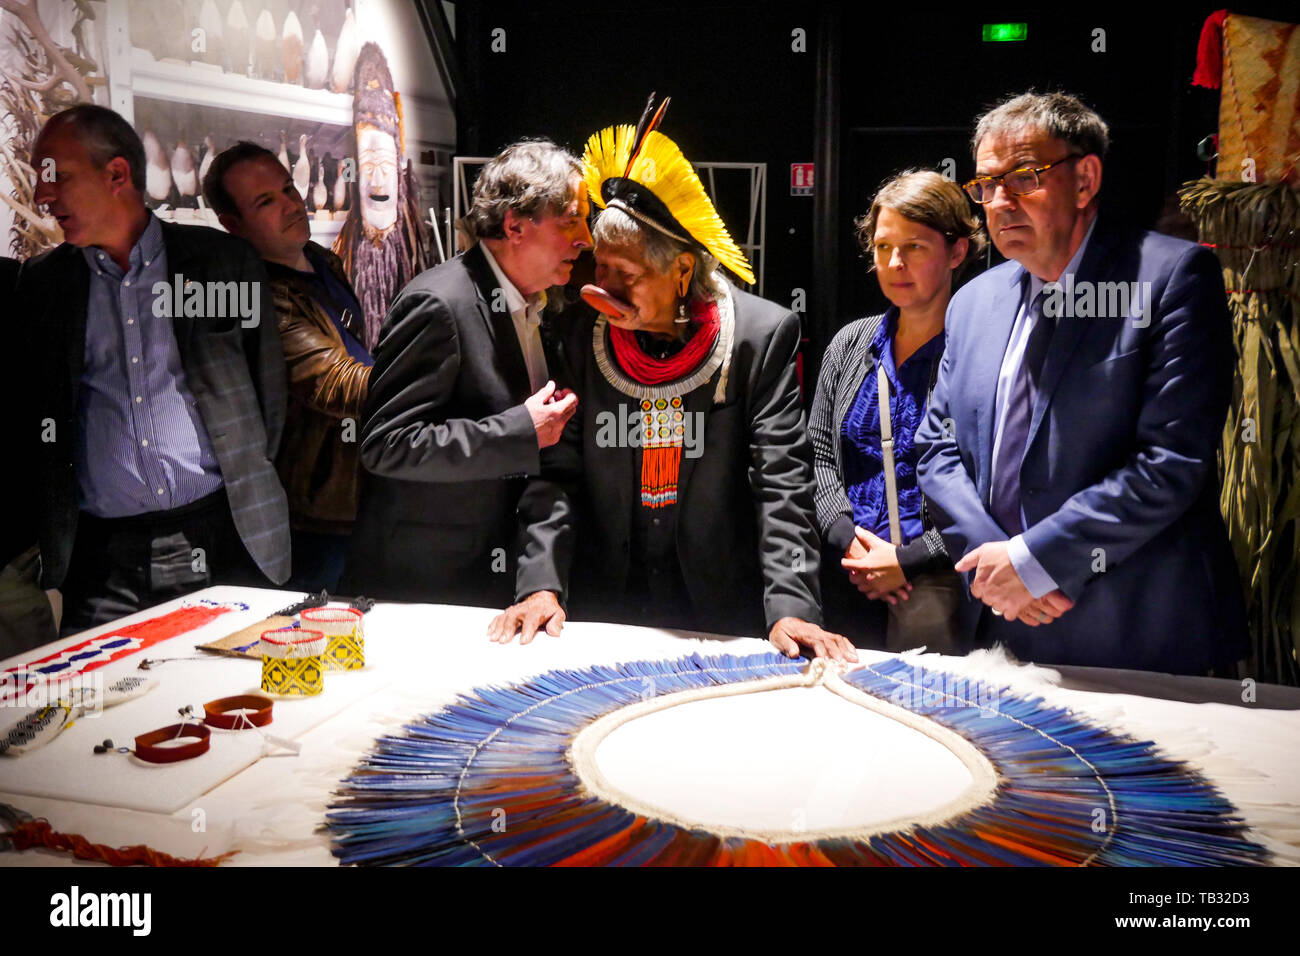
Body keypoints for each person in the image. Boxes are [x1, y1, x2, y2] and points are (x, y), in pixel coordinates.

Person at [488, 101, 856, 663]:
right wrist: (540, 584)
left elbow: (782, 485)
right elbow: (556, 476)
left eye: (627, 276)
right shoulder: (580, 335)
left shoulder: (757, 338)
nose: (604, 290)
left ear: (682, 269)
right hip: (603, 608)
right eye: (600, 268)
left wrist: (792, 606)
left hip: (719, 612)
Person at [914, 91, 1246, 674]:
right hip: (1000, 617)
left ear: (1086, 179)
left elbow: (1170, 461)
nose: (1000, 202)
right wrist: (1000, 567)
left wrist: (1035, 561)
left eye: (1024, 178)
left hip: (1131, 631)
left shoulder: (1169, 278)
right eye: (986, 185)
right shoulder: (973, 301)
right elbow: (937, 448)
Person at [20, 105, 289, 633]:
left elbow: (270, 401)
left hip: (226, 539)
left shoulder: (220, 263)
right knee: (101, 687)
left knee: (236, 680)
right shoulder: (43, 285)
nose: (41, 196)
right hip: (103, 565)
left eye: (56, 176)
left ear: (117, 174)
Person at [343, 140, 587, 608]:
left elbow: (545, 465)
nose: (585, 238)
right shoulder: (437, 304)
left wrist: (539, 579)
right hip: (424, 588)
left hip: (500, 580)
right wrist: (520, 431)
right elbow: (385, 444)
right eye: (570, 221)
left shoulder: (545, 305)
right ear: (515, 226)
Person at [810, 170, 986, 652]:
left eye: (915, 247)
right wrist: (848, 540)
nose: (895, 263)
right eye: (883, 246)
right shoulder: (849, 344)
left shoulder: (978, 352)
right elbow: (819, 455)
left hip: (937, 582)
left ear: (956, 251)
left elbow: (989, 483)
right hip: (847, 572)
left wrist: (910, 559)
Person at [203, 141, 372, 592]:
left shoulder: (322, 259)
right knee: (314, 623)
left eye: (287, 188)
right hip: (315, 510)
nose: (291, 204)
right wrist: (427, 371)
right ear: (232, 224)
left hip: (357, 490)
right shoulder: (260, 297)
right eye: (265, 202)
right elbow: (337, 384)